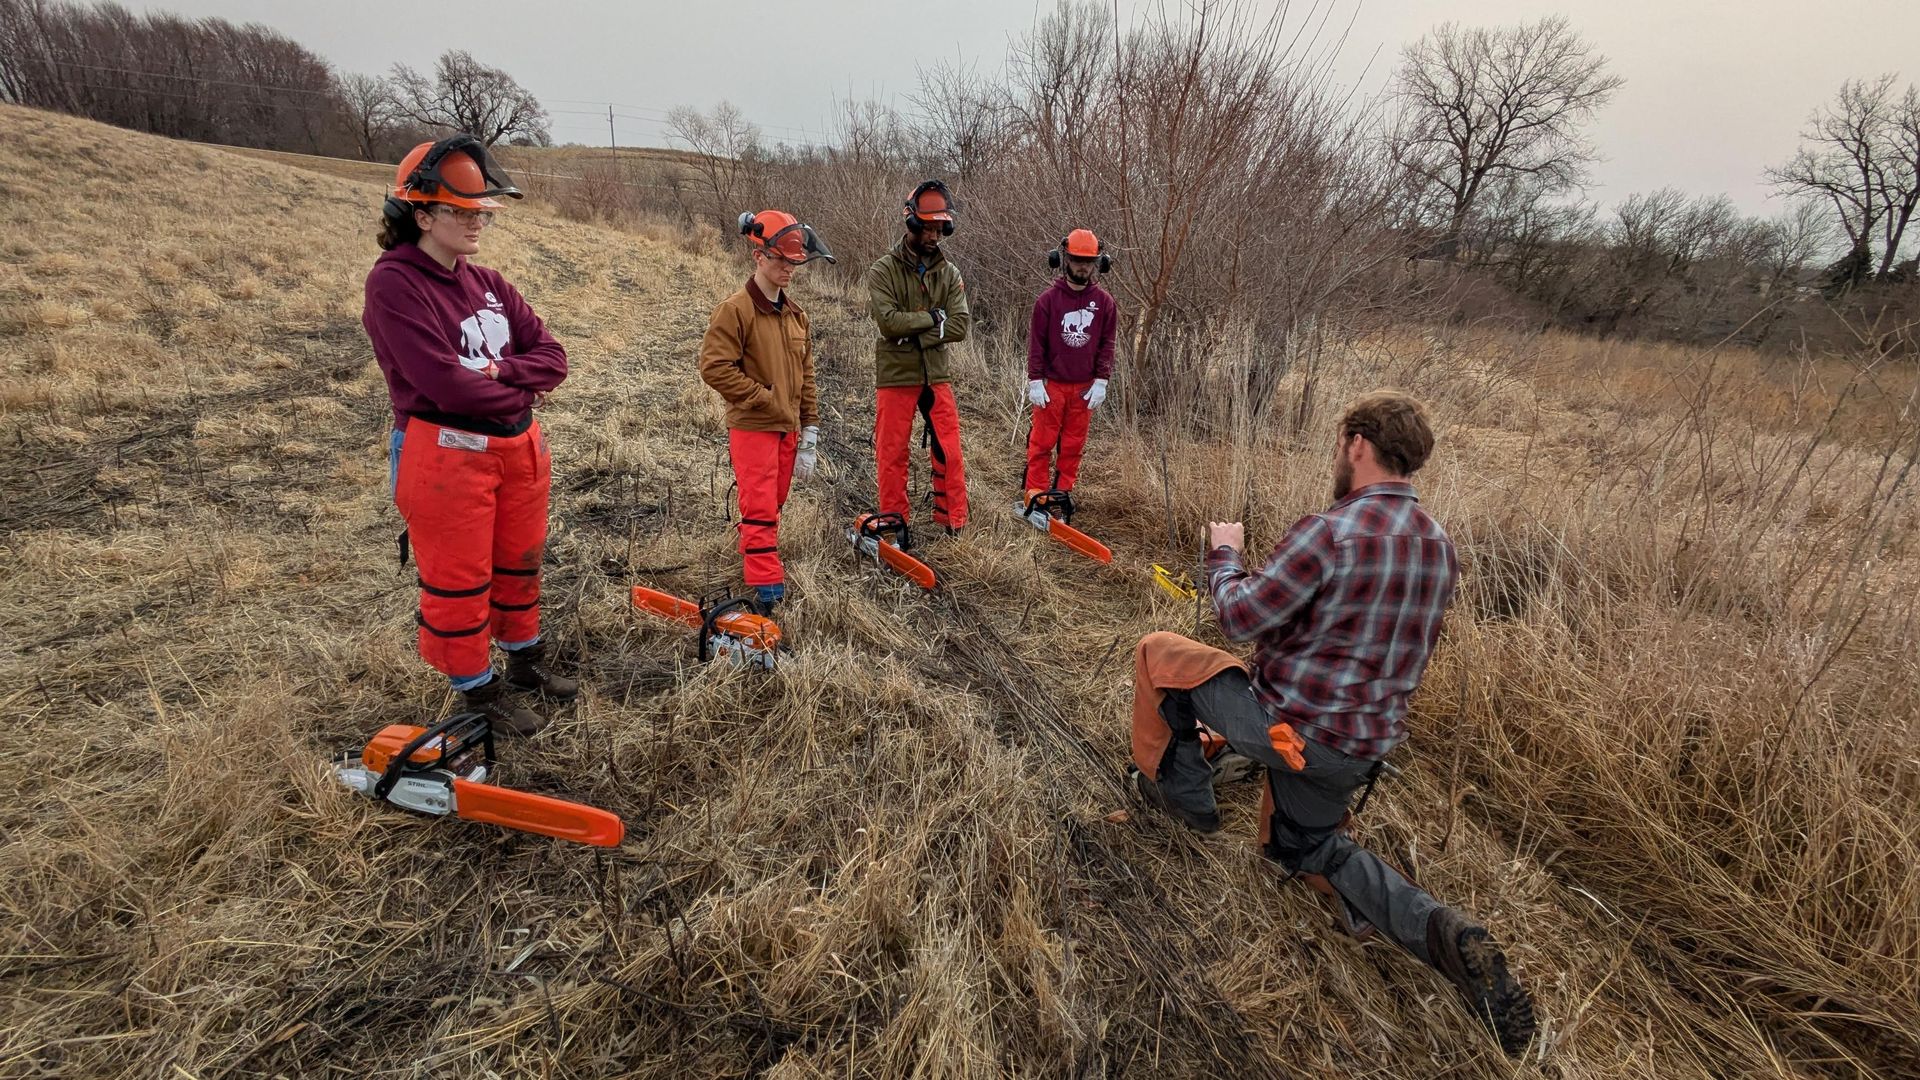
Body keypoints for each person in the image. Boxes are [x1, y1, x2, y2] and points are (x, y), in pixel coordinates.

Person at [1128, 391, 1536, 1055]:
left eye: (1341, 443)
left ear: (1356, 444)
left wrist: (1225, 555)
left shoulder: (1331, 531)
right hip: (1359, 752)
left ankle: (1180, 798)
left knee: (1159, 654)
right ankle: (1443, 933)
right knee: (1304, 850)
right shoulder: (1439, 547)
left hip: (1291, 732)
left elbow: (1238, 618)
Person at [362, 135, 576, 738]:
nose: (476, 221)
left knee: (518, 561)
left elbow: (553, 357)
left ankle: (524, 659)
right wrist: (521, 389)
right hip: (446, 455)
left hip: (517, 450)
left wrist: (502, 372)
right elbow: (442, 385)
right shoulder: (395, 284)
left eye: (481, 211)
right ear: (421, 214)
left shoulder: (488, 282)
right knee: (460, 576)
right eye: (462, 211)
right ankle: (475, 689)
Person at [698, 210, 833, 611]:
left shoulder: (796, 316)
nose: (788, 269)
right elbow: (714, 367)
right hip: (754, 426)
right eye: (780, 261)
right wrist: (761, 397)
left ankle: (755, 549)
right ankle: (765, 585)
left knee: (773, 501)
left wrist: (810, 429)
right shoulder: (736, 310)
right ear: (758, 257)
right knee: (758, 505)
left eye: (794, 263)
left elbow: (806, 375)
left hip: (788, 428)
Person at [865, 180, 972, 535]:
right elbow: (889, 322)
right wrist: (934, 317)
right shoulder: (883, 270)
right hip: (896, 373)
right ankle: (895, 524)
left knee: (950, 450)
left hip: (937, 373)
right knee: (892, 452)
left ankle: (954, 520)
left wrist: (919, 332)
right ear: (911, 223)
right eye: (927, 226)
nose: (934, 234)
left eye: (939, 227)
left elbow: (960, 325)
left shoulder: (949, 272)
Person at [1024, 229, 1117, 501]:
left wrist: (1102, 380)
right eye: (1076, 260)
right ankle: (1036, 493)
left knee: (1073, 445)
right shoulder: (1047, 301)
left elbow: (1107, 345)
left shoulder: (1105, 304)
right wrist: (1035, 379)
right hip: (1052, 385)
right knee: (1041, 443)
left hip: (1084, 388)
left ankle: (1062, 495)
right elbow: (1037, 344)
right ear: (1063, 259)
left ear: (1099, 263)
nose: (1082, 266)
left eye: (1088, 261)